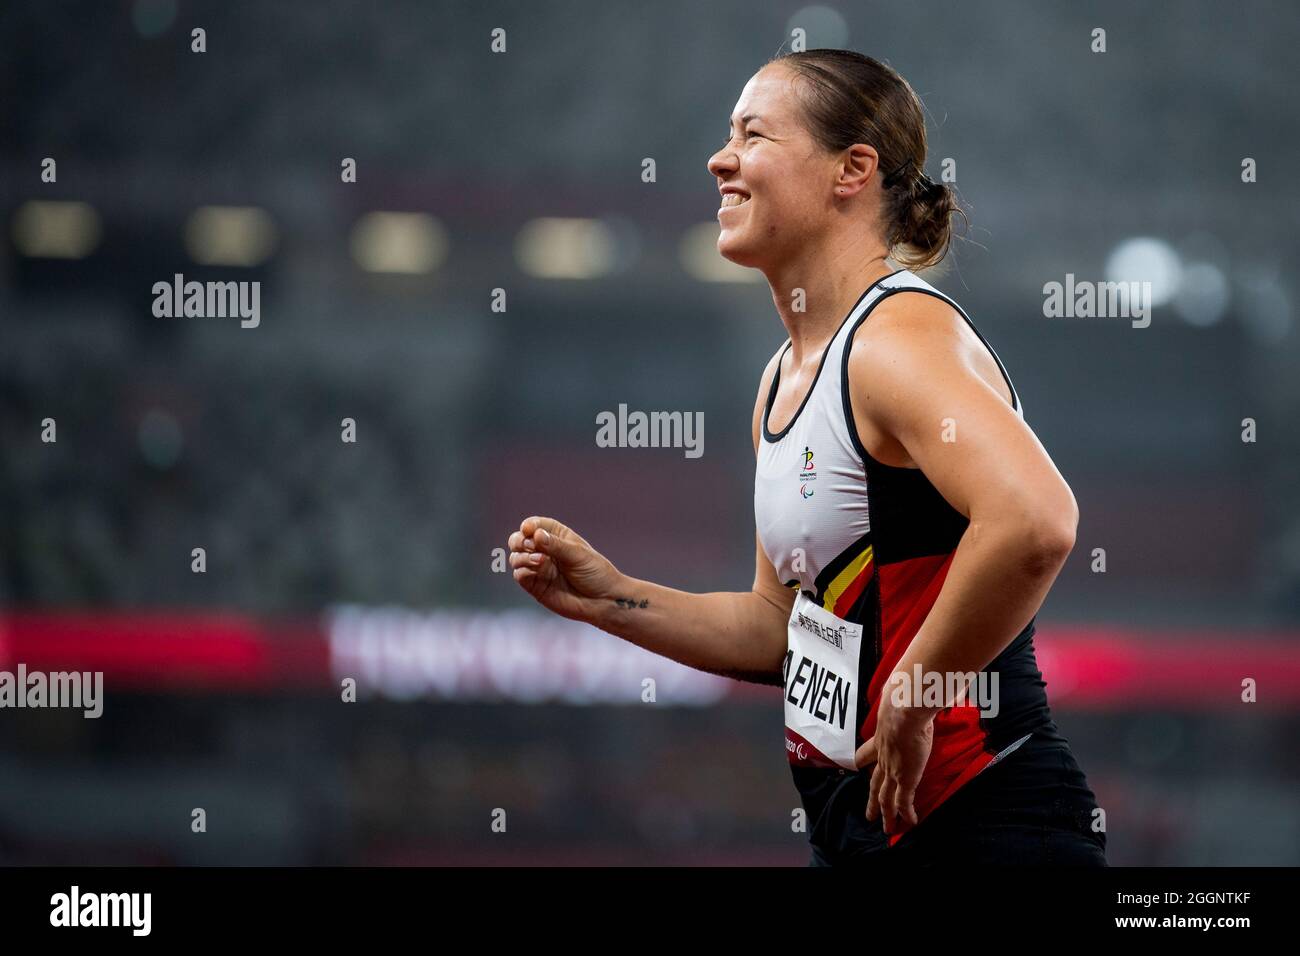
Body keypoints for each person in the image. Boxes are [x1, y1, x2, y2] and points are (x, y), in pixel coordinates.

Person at [507, 48, 1105, 866]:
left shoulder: (895, 339)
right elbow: (781, 625)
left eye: (753, 135)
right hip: (860, 830)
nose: (720, 159)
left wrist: (914, 693)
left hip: (980, 819)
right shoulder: (782, 380)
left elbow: (1035, 522)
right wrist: (615, 600)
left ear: (851, 171)